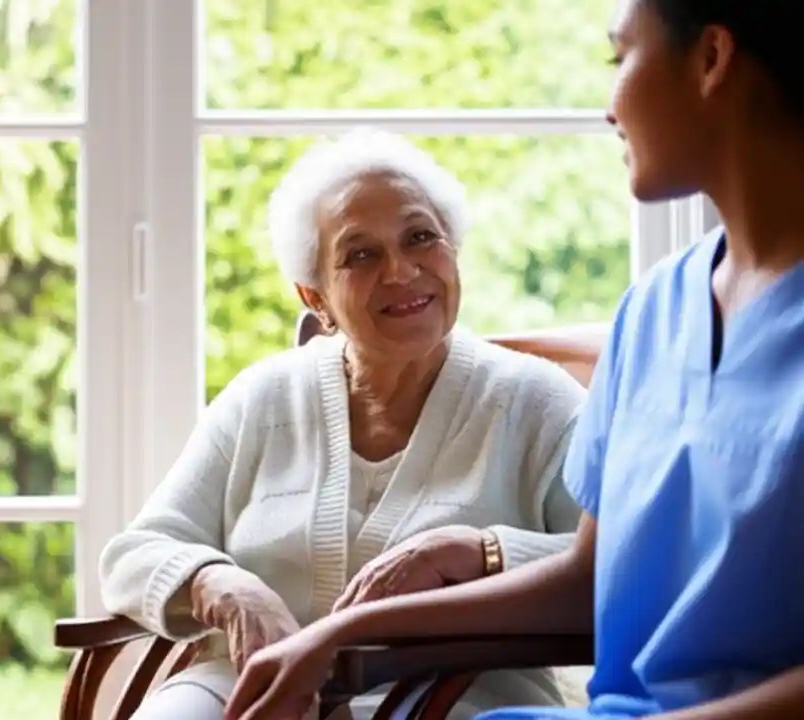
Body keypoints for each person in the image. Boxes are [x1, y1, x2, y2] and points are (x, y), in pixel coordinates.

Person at [224, 1, 804, 719]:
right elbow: (584, 579)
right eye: (362, 256)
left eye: (618, 58)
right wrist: (341, 630)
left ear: (712, 59)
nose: (609, 107)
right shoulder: (655, 310)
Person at [99, 129, 590, 720]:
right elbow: (136, 552)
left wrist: (483, 551)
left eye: (421, 238)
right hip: (252, 689)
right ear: (316, 298)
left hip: (450, 701)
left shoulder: (534, 402)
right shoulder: (263, 399)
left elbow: (619, 567)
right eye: (361, 254)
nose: (402, 271)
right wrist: (223, 587)